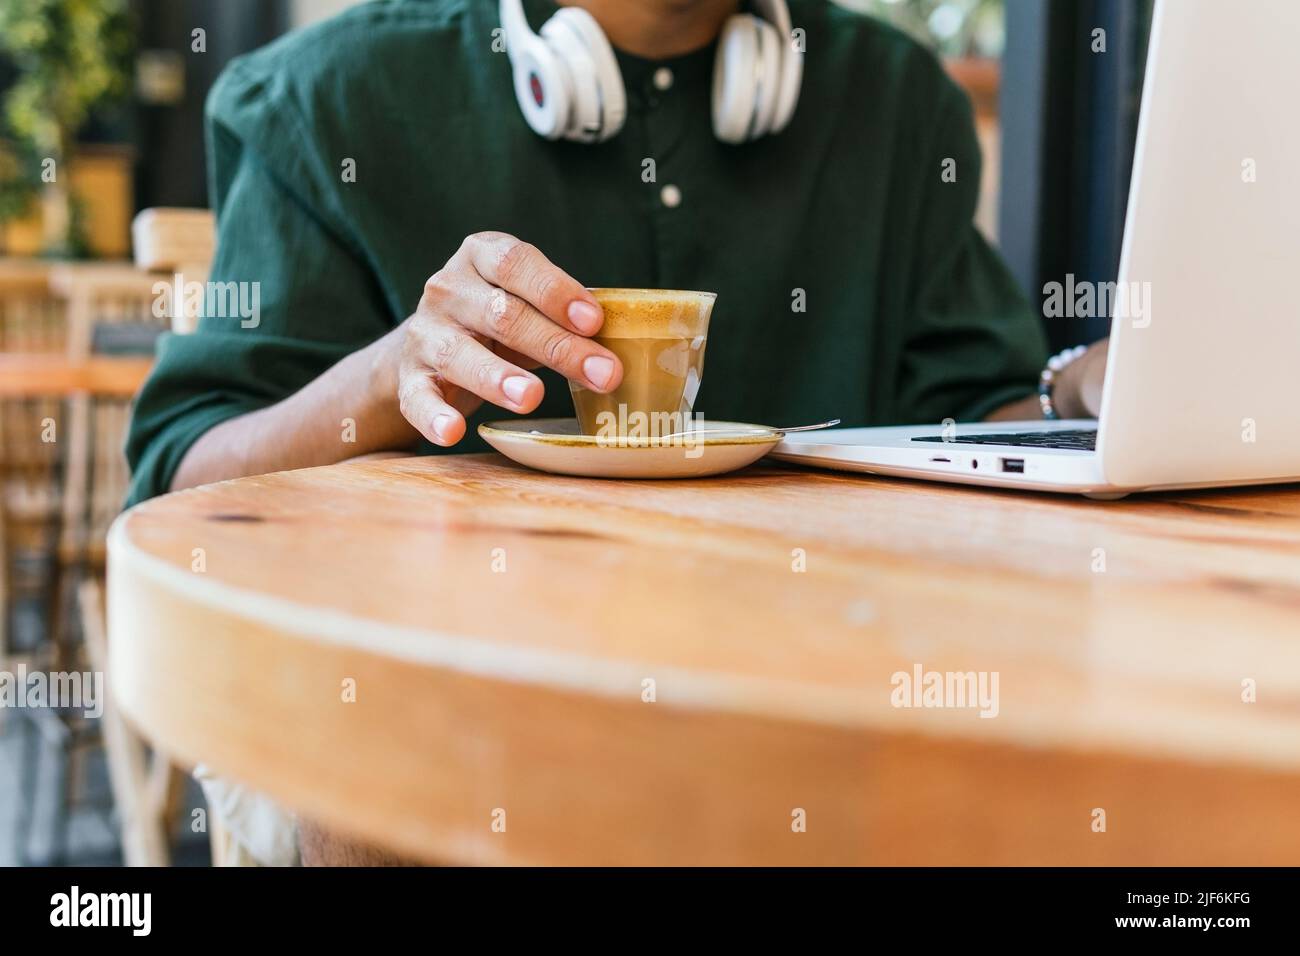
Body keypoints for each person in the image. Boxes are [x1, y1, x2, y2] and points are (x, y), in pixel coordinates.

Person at [125, 0, 1107, 864]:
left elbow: (970, 411)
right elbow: (182, 490)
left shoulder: (893, 100)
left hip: (819, 705)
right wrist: (386, 375)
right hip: (450, 720)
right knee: (388, 752)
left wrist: (1084, 393)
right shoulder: (330, 94)